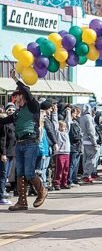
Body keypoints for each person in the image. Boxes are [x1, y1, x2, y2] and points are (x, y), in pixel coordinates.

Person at [0, 70, 47, 210]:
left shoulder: (33, 106)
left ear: (22, 96)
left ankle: (42, 191)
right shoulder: (17, 113)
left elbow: (26, 90)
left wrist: (15, 78)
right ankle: (22, 202)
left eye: (17, 95)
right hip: (19, 144)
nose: (15, 98)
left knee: (29, 172)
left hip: (31, 142)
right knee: (20, 173)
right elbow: (3, 121)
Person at [52, 107, 72, 190]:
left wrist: (68, 112)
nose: (62, 128)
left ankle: (64, 182)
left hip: (67, 152)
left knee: (66, 168)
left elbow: (68, 122)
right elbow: (54, 122)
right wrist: (55, 112)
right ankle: (57, 183)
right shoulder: (57, 132)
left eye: (63, 126)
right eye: (61, 126)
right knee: (59, 168)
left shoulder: (66, 132)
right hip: (59, 153)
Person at [80, 104, 98, 183]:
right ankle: (87, 175)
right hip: (89, 141)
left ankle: (86, 175)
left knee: (85, 159)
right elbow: (91, 131)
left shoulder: (81, 117)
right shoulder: (88, 118)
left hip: (83, 141)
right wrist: (94, 143)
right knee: (91, 159)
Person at [2, 103, 17, 197]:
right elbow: (2, 140)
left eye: (13, 110)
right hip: (6, 152)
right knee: (3, 174)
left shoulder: (16, 123)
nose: (11, 111)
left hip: (13, 152)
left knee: (7, 174)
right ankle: (2, 191)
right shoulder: (4, 123)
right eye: (9, 109)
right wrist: (3, 153)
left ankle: (4, 190)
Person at [68, 107, 83, 187]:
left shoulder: (75, 122)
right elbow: (74, 136)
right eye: (74, 113)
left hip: (77, 147)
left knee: (76, 164)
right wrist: (80, 136)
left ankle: (74, 179)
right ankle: (70, 180)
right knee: (72, 164)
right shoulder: (71, 124)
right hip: (73, 146)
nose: (76, 115)